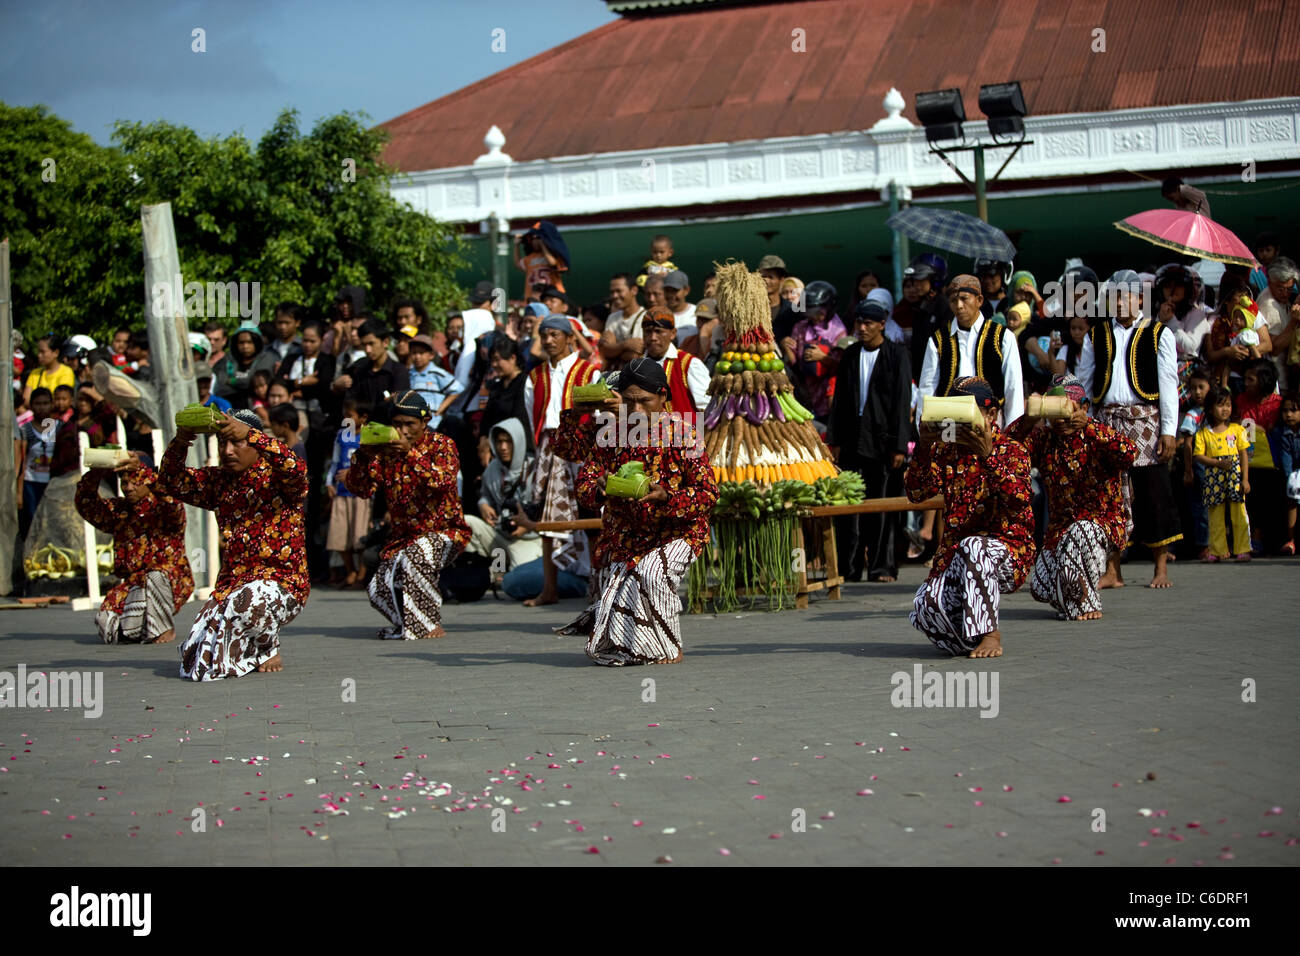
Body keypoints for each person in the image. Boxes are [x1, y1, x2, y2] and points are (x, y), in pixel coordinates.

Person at [553, 358, 717, 665]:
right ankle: (637, 645)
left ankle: (670, 648)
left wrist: (666, 496)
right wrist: (599, 488)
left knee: (652, 573)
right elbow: (582, 482)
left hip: (678, 533)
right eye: (629, 403)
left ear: (664, 397)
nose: (637, 411)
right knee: (610, 589)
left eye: (645, 401)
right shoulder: (608, 436)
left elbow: (708, 493)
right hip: (626, 537)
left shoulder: (686, 434)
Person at [159, 409, 309, 679]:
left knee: (249, 600)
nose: (227, 451)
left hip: (281, 583)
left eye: (235, 442)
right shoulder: (219, 480)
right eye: (222, 442)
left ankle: (267, 646)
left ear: (253, 442)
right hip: (233, 585)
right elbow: (172, 482)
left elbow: (297, 470)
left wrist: (251, 435)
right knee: (194, 658)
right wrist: (181, 441)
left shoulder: (278, 477)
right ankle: (249, 648)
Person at [904, 377, 1035, 658]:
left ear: (991, 414)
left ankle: (990, 633)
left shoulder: (1011, 449)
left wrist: (986, 455)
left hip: (1007, 552)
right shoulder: (946, 450)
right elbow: (916, 494)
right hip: (956, 554)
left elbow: (1020, 500)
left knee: (974, 546)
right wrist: (924, 449)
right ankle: (970, 642)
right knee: (924, 606)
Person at [1075, 270, 1182, 588]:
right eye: (1115, 296)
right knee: (1110, 494)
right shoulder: (1096, 336)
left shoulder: (1159, 333)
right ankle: (1113, 570)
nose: (1120, 301)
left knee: (1154, 492)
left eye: (1126, 295)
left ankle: (1160, 567)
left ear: (1139, 299)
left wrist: (1169, 430)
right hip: (1108, 420)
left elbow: (1168, 383)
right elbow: (1084, 381)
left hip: (1147, 421)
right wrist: (1085, 423)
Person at [1008, 374, 1137, 621]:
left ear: (1085, 408)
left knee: (1081, 531)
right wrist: (1029, 418)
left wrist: (1088, 424)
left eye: (1070, 411)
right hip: (1059, 531)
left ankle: (1086, 603)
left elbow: (1129, 453)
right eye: (1057, 413)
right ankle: (1072, 595)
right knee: (1040, 586)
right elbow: (1007, 449)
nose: (1062, 420)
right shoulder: (1045, 438)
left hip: (1100, 526)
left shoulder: (1097, 433)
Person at [345, 391, 469, 640]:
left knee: (417, 555)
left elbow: (442, 482)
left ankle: (428, 624)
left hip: (446, 532)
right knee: (378, 589)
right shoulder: (386, 451)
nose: (402, 430)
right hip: (404, 538)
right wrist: (362, 457)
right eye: (397, 424)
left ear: (425, 422)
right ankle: (414, 622)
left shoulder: (442, 445)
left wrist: (410, 453)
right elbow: (361, 490)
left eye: (409, 424)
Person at [828, 299, 912, 582]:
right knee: (849, 506)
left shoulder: (896, 354)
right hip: (852, 437)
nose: (861, 329)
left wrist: (899, 445)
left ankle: (881, 566)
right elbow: (839, 401)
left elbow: (902, 400)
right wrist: (835, 440)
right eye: (858, 323)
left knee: (883, 505)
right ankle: (849, 567)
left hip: (883, 440)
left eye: (868, 324)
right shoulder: (850, 355)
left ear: (881, 325)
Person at [75, 457, 193, 645]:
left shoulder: (165, 506)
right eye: (125, 482)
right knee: (107, 624)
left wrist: (144, 470)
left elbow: (170, 498)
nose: (129, 488)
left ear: (148, 480)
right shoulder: (120, 510)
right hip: (134, 586)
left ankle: (163, 629)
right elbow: (87, 505)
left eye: (136, 481)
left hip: (168, 582)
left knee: (156, 576)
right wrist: (96, 473)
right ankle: (143, 627)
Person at [523, 315, 599, 605]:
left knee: (589, 512)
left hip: (580, 445)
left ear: (570, 338)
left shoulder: (588, 372)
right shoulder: (534, 376)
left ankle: (597, 583)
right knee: (547, 517)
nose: (549, 340)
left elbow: (599, 415)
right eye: (545, 335)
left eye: (555, 335)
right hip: (549, 447)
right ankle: (550, 588)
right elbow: (534, 418)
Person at [917, 274, 1025, 427]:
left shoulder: (1003, 337)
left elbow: (1013, 388)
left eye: (964, 299)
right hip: (950, 425)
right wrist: (923, 429)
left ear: (979, 300)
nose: (959, 305)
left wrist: (1013, 432)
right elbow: (927, 389)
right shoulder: (938, 340)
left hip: (991, 424)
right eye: (953, 300)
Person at [466, 419, 543, 574]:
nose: (503, 447)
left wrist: (527, 525)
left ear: (519, 442)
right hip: (501, 534)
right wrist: (483, 505)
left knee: (521, 579)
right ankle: (495, 571)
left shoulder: (536, 467)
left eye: (508, 441)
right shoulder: (492, 469)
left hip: (529, 537)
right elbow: (485, 495)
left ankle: (508, 572)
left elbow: (547, 506)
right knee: (466, 523)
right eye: (499, 441)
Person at [1193, 386, 1251, 561]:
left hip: (1234, 477)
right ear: (1210, 408)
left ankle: (1242, 549)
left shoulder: (1237, 430)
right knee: (1215, 515)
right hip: (1213, 478)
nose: (1225, 409)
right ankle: (1218, 551)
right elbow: (1198, 456)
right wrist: (1217, 463)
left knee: (1239, 514)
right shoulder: (1204, 433)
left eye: (1228, 405)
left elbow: (1244, 454)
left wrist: (1245, 479)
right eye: (1220, 405)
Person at [1235, 359, 1283, 553]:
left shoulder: (1278, 405)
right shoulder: (1240, 400)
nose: (1245, 383)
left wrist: (1261, 430)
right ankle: (1252, 539)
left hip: (1272, 462)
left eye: (1251, 379)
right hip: (1248, 461)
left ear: (1263, 381)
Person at [782, 280, 846, 420]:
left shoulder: (839, 331)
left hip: (829, 397)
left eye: (819, 310)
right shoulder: (800, 328)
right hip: (805, 394)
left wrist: (823, 358)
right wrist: (786, 347)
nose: (815, 315)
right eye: (809, 310)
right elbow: (792, 362)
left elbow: (844, 366)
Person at [325, 398, 371, 588]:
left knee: (359, 537)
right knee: (340, 535)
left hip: (361, 494)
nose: (346, 418)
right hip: (342, 492)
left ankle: (362, 573)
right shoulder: (341, 435)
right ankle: (350, 571)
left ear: (363, 417)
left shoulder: (370, 437)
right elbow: (335, 461)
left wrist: (354, 474)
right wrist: (329, 482)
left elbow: (374, 466)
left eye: (350, 415)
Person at [641, 306, 709, 415]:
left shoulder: (689, 364)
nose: (653, 337)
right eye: (648, 332)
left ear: (673, 333)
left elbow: (707, 407)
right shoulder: (636, 366)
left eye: (658, 331)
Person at [1178, 367, 1213, 559]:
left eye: (1202, 387)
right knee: (1201, 507)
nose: (1197, 392)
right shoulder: (1192, 414)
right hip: (1200, 466)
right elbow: (1188, 446)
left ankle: (1220, 544)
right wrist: (1188, 471)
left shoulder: (1217, 411)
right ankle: (1203, 545)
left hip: (1218, 463)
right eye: (1193, 388)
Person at [335, 320, 410, 408]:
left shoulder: (399, 371)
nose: (368, 350)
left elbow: (400, 406)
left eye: (371, 343)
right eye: (364, 345)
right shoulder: (358, 368)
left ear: (385, 342)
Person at [18, 387, 56, 537]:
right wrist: (19, 492)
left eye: (46, 403)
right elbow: (21, 461)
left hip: (51, 482)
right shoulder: (25, 429)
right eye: (38, 403)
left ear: (51, 404)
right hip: (31, 482)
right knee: (34, 520)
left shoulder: (56, 427)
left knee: (50, 520)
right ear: (32, 406)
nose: (42, 407)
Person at [214, 320, 279, 407]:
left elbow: (257, 382)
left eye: (249, 342)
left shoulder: (268, 358)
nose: (245, 346)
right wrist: (246, 384)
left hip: (258, 407)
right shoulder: (228, 359)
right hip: (230, 406)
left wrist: (231, 381)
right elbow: (221, 385)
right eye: (241, 343)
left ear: (256, 342)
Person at [407, 334, 463, 429]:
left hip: (433, 423)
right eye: (414, 353)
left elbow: (457, 389)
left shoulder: (437, 373)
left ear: (431, 355)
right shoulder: (408, 374)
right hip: (414, 424)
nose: (417, 357)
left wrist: (441, 408)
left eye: (421, 353)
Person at [1271, 394, 1300, 554]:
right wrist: (1291, 480)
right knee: (1292, 498)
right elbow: (1285, 459)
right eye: (1285, 411)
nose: (1289, 415)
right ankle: (1291, 540)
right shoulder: (1281, 433)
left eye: (1294, 410)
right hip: (1293, 476)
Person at [601, 273, 645, 371]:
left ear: (634, 290)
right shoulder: (612, 318)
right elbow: (606, 351)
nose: (615, 296)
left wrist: (615, 348)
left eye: (619, 291)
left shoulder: (645, 317)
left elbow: (636, 355)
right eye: (612, 292)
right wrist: (626, 345)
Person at [23, 335, 76, 403]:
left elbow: (61, 400)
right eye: (38, 351)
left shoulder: (66, 372)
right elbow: (26, 399)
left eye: (42, 352)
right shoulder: (35, 373)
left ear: (56, 353)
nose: (39, 355)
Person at [663, 270, 696, 345]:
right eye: (667, 290)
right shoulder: (657, 313)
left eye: (675, 290)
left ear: (686, 290)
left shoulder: (697, 313)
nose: (671, 295)